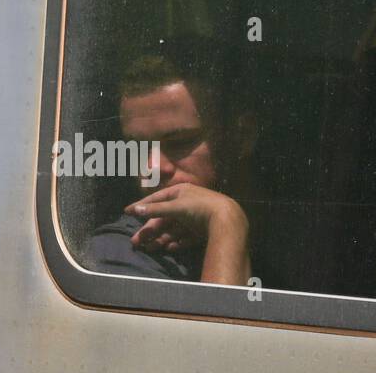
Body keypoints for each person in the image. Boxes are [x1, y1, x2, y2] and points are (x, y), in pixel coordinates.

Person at [84, 51, 254, 286]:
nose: (151, 168)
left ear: (243, 137)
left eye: (180, 143)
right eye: (138, 149)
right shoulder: (120, 253)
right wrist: (227, 221)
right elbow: (215, 325)